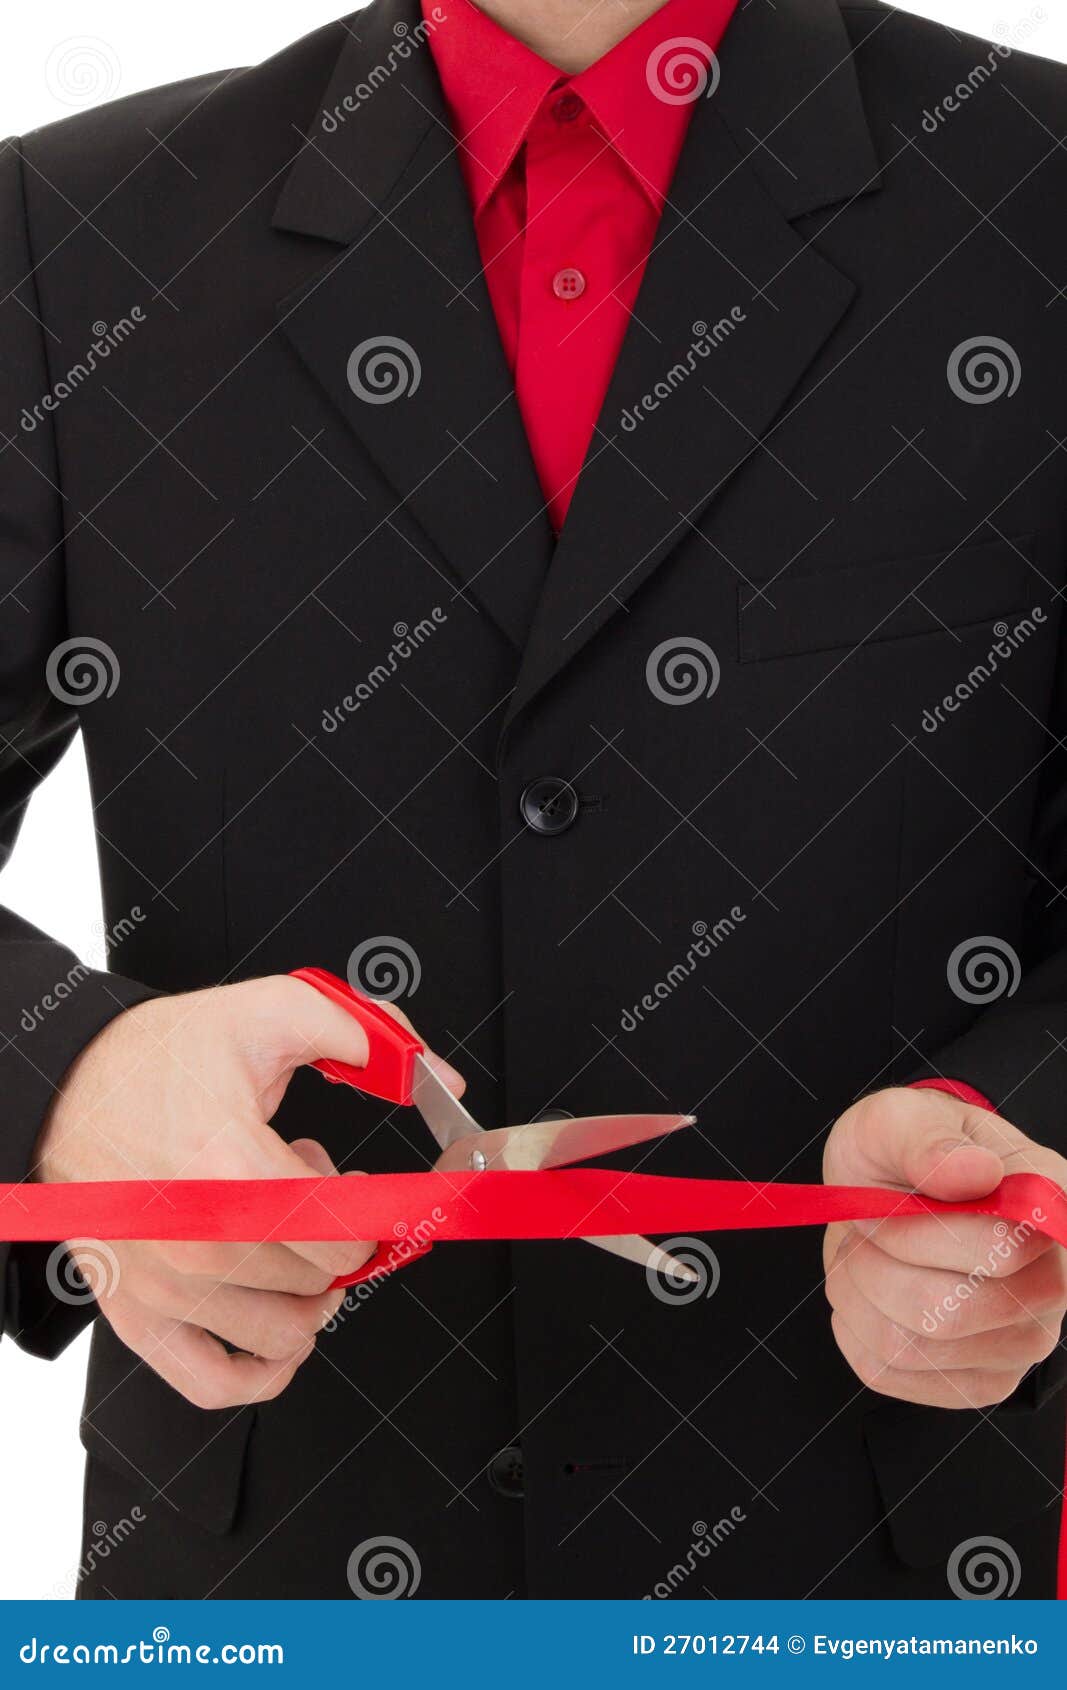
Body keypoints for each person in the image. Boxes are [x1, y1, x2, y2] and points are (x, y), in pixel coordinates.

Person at [2, 0, 1066, 1600]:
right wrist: (68, 1082)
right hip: (271, 1581)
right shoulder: (73, 234)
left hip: (889, 1570)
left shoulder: (1037, 202)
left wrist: (1026, 1124)